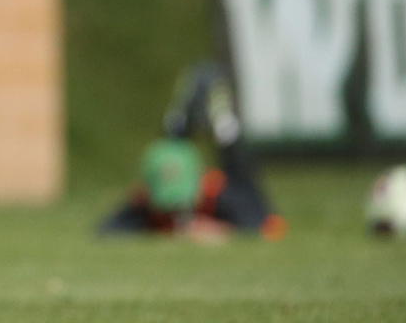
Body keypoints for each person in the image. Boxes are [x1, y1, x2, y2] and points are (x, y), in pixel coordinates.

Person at [99, 64, 283, 240]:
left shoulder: (215, 193)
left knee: (241, 178)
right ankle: (186, 124)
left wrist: (215, 231)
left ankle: (219, 125)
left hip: (227, 192)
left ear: (198, 186)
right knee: (170, 154)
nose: (175, 213)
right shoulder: (146, 200)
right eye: (169, 206)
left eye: (180, 205)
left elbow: (263, 226)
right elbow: (106, 230)